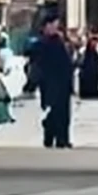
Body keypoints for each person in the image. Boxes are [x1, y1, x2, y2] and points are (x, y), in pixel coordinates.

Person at [30, 14, 74, 148]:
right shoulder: (41, 43)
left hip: (63, 81)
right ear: (46, 26)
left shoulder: (60, 41)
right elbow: (37, 62)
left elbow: (67, 62)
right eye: (53, 24)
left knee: (64, 112)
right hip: (50, 81)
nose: (56, 27)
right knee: (55, 109)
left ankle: (62, 138)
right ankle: (52, 132)